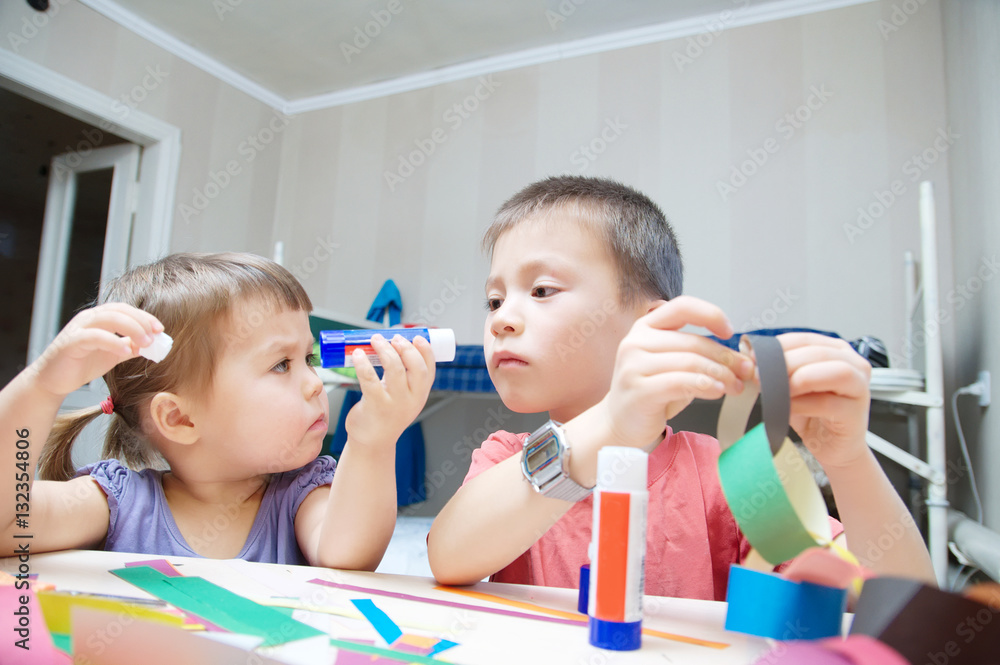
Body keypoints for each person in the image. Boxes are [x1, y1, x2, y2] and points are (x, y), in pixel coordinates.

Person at [428, 176, 935, 599]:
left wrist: (849, 462)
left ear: (653, 326)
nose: (501, 320)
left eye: (541, 290)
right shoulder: (506, 458)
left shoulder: (724, 477)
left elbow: (900, 605)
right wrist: (610, 424)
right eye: (494, 300)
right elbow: (449, 557)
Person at [0, 252, 436, 568]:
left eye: (308, 358)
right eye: (281, 364)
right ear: (180, 418)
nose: (314, 382)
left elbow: (348, 556)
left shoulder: (300, 494)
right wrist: (41, 387)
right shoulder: (119, 502)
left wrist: (372, 443)